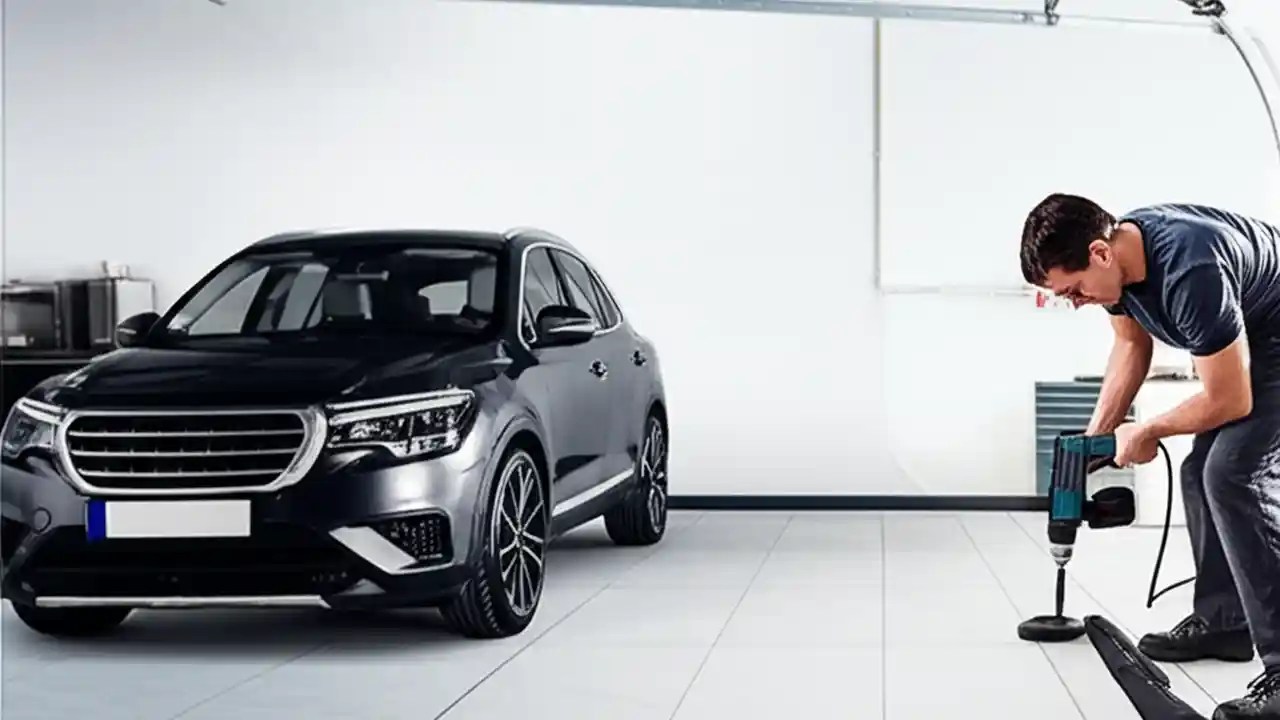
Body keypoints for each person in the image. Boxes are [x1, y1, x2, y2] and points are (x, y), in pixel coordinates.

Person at [1020, 194, 1280, 720]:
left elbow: (1231, 399)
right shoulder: (1119, 266)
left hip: (1272, 344)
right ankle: (1224, 623)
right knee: (1198, 472)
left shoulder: (1191, 269)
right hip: (1254, 339)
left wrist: (1149, 429)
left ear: (1099, 253)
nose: (1076, 302)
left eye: (1073, 291)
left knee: (1233, 475)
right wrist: (1095, 442)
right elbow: (1131, 347)